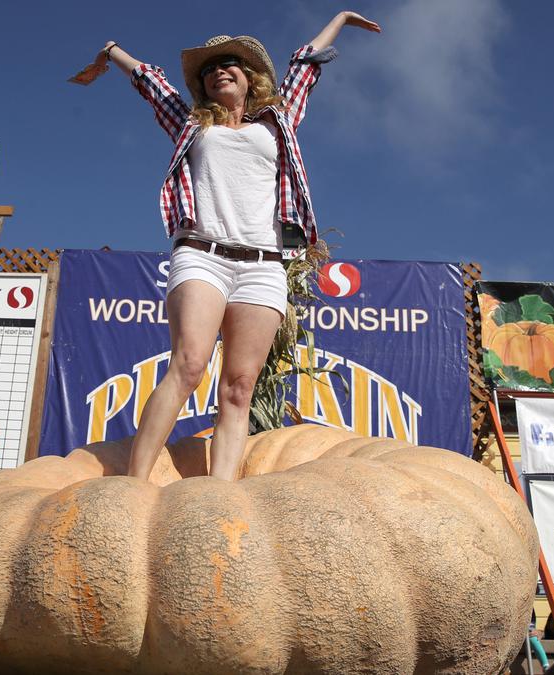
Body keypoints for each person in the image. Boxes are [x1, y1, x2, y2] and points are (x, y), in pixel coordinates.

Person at [90, 13, 380, 482]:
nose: (219, 70)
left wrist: (342, 19)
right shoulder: (192, 125)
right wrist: (112, 51)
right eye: (210, 68)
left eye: (230, 64)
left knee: (239, 387)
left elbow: (305, 66)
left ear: (250, 77)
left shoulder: (277, 123)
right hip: (201, 254)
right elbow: (152, 84)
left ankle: (218, 496)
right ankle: (132, 484)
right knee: (188, 364)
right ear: (203, 85)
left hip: (263, 266)